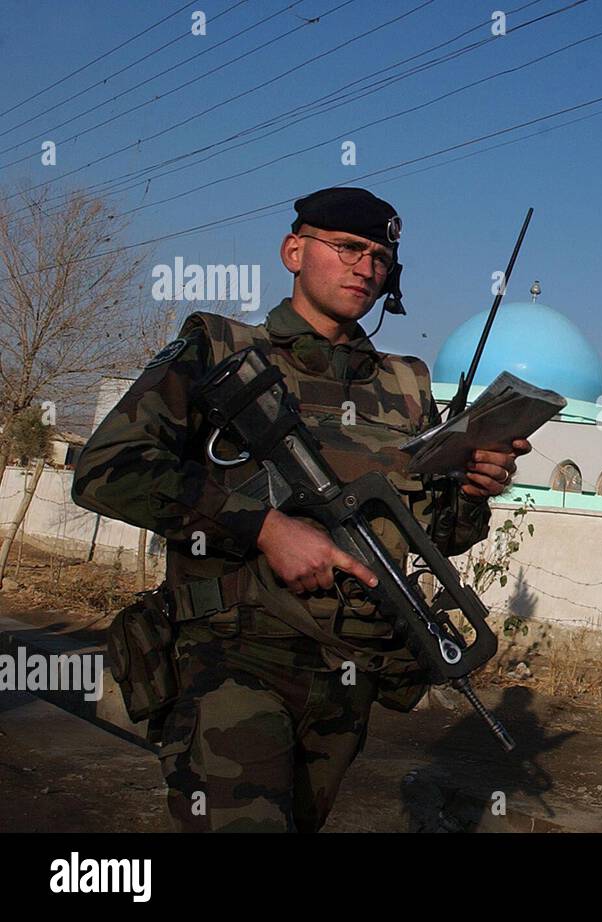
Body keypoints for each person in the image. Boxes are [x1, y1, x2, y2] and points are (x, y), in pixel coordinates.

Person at [72, 187, 532, 831]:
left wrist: (474, 491)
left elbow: (430, 533)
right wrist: (263, 527)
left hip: (348, 672)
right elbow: (107, 469)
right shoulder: (219, 349)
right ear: (294, 251)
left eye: (380, 258)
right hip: (235, 657)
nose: (365, 267)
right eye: (347, 248)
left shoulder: (405, 384)